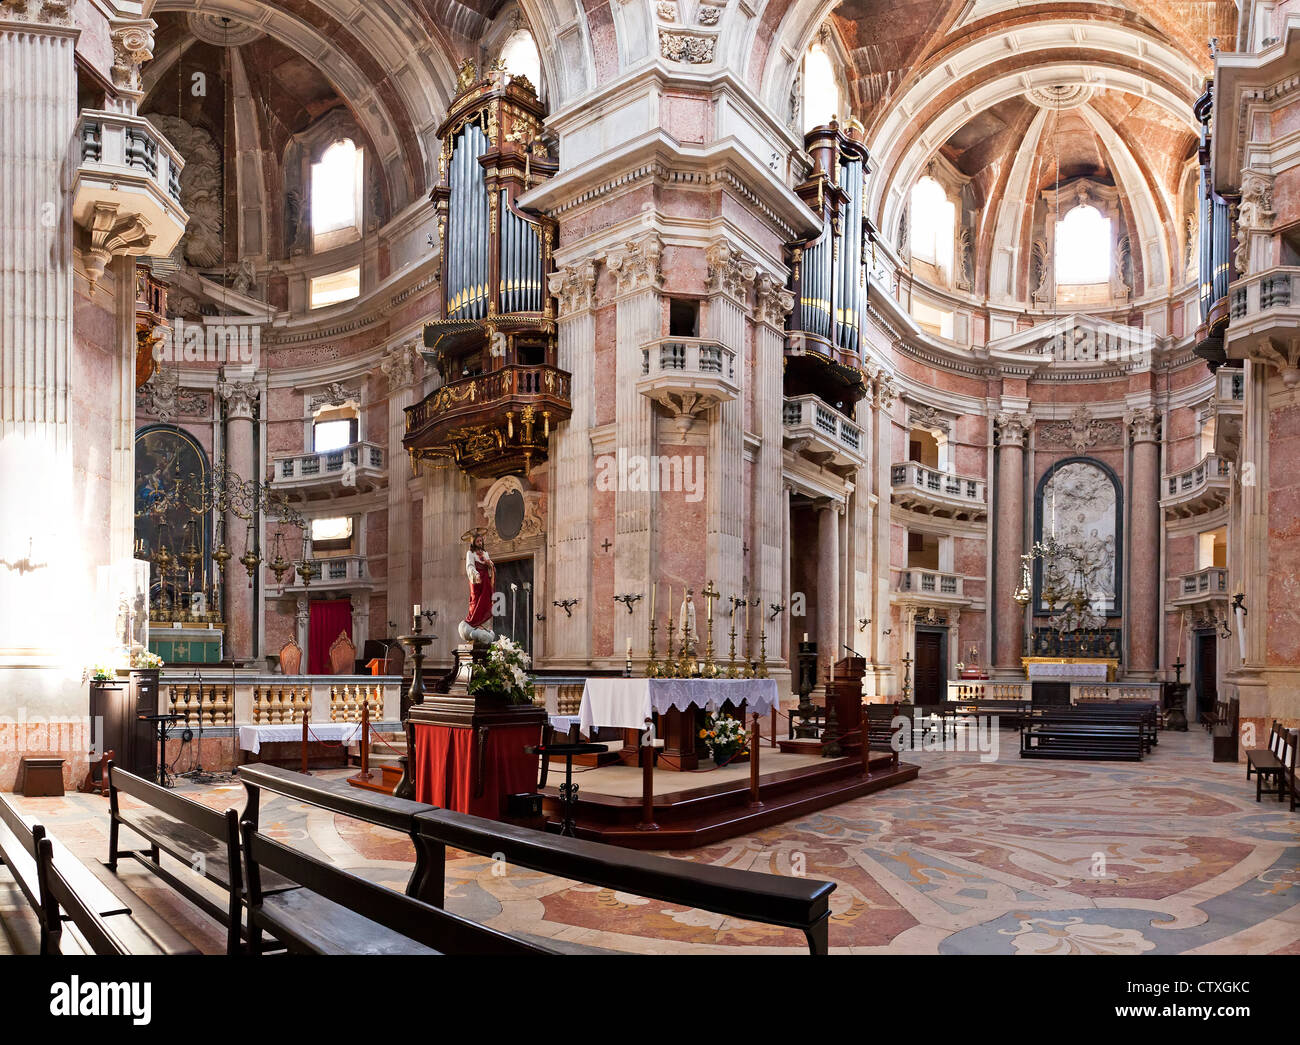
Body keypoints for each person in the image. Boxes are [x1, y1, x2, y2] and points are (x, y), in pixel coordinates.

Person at [459, 533, 496, 643]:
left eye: (481, 541)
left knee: (485, 601)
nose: (480, 543)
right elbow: (469, 566)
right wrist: (476, 575)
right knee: (475, 601)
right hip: (476, 580)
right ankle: (472, 621)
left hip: (485, 580)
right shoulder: (470, 553)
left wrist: (490, 564)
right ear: (474, 543)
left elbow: (491, 565)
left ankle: (479, 623)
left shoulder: (485, 553)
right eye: (477, 541)